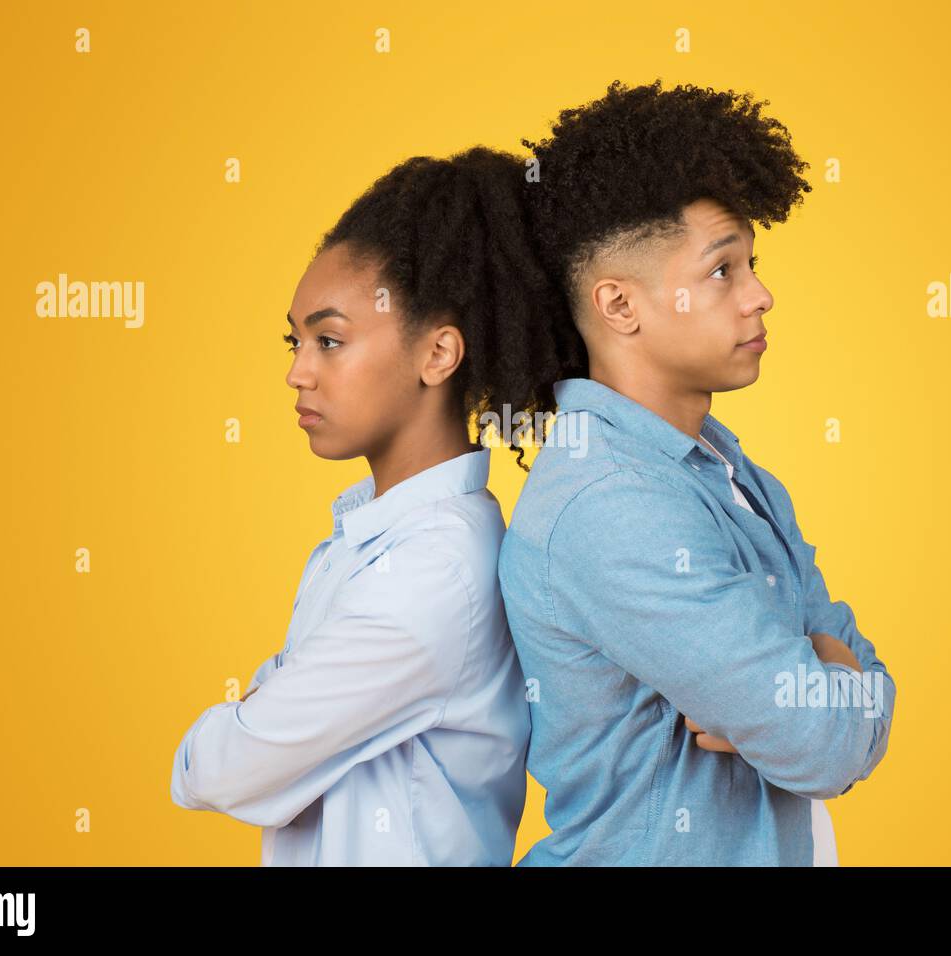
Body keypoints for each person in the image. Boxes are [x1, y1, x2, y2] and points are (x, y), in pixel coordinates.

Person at [498, 80, 896, 865]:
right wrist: (822, 669)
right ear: (620, 306)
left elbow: (827, 696)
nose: (760, 296)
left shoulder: (725, 468)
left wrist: (826, 670)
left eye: (752, 264)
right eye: (722, 271)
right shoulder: (611, 504)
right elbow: (821, 742)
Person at [170, 146, 574, 865]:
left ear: (439, 354)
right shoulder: (380, 537)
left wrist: (257, 712)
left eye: (330, 340)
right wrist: (278, 708)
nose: (297, 371)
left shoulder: (434, 573)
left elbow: (223, 769)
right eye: (294, 342)